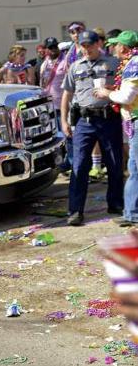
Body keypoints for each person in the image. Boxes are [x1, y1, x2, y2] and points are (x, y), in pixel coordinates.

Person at [61, 30, 122, 226]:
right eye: (83, 46)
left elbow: (124, 87)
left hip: (108, 118)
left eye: (89, 45)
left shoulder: (113, 63)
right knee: (79, 166)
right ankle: (75, 211)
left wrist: (111, 91)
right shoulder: (75, 66)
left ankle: (116, 203)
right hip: (84, 122)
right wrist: (64, 121)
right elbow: (67, 95)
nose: (86, 49)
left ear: (98, 44)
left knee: (114, 163)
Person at [93, 30, 138, 227]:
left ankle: (132, 213)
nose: (112, 48)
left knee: (134, 168)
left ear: (124, 48)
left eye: (115, 44)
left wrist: (107, 93)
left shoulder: (133, 65)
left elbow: (127, 97)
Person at [40, 37, 72, 172]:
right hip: (49, 106)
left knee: (67, 135)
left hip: (63, 105)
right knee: (56, 138)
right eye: (50, 47)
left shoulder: (65, 61)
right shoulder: (45, 63)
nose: (53, 49)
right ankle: (63, 162)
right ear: (46, 49)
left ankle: (71, 162)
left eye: (55, 47)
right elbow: (42, 81)